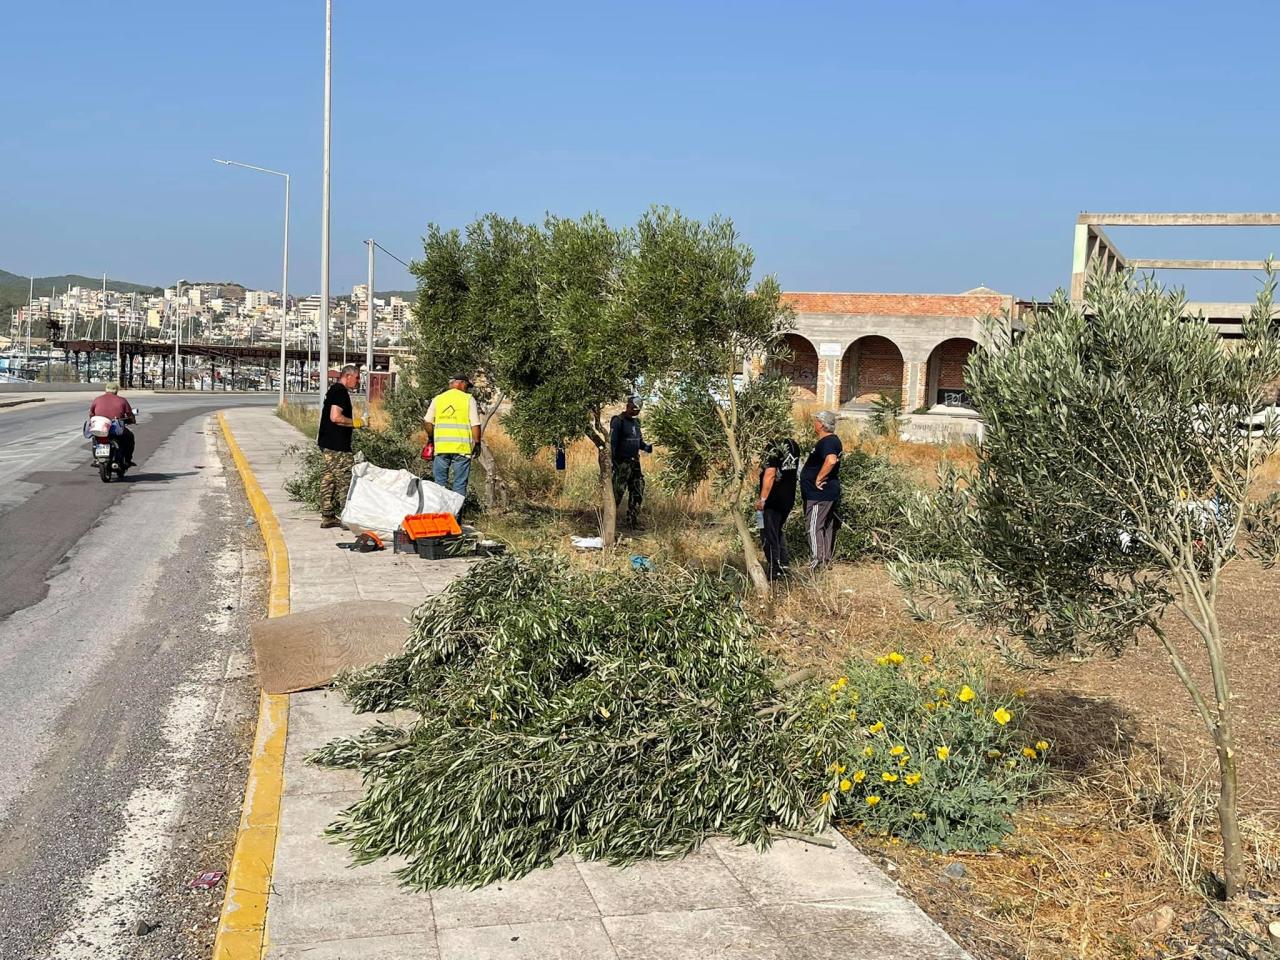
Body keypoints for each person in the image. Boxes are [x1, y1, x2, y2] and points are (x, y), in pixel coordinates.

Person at [316, 364, 363, 529]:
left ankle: (328, 516)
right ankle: (346, 517)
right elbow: (335, 417)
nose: (359, 381)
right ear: (347, 376)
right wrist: (355, 423)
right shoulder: (340, 391)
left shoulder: (334, 390)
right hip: (337, 446)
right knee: (346, 480)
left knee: (328, 479)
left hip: (327, 443)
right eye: (357, 377)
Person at [423, 375, 481, 499]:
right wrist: (477, 443)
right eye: (467, 385)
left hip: (441, 449)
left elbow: (427, 422)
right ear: (460, 383)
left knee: (439, 485)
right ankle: (456, 517)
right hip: (462, 449)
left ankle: (441, 516)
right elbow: (475, 424)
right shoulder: (468, 399)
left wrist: (431, 438)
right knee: (459, 486)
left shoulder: (438, 399)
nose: (467, 389)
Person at [800, 410, 843, 568]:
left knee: (813, 526)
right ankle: (824, 560)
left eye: (816, 421)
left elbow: (831, 460)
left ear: (822, 424)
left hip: (819, 494)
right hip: (823, 493)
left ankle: (817, 560)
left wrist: (819, 478)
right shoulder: (829, 441)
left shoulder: (828, 441)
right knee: (825, 526)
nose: (814, 423)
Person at [755, 434, 801, 581]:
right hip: (788, 497)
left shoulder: (773, 447)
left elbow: (770, 475)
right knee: (777, 532)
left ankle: (775, 570)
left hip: (773, 500)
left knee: (768, 535)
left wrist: (762, 500)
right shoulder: (793, 445)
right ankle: (784, 565)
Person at [610, 395, 652, 528]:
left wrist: (646, 447)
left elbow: (638, 442)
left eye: (638, 410)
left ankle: (632, 521)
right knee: (617, 493)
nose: (635, 412)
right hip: (621, 463)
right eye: (633, 409)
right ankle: (609, 523)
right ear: (628, 406)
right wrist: (612, 463)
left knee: (637, 490)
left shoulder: (636, 423)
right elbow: (612, 444)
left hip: (635, 463)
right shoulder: (618, 421)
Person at [88, 382, 137, 466]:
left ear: (106, 389)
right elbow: (129, 414)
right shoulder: (122, 400)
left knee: (95, 439)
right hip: (115, 426)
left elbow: (91, 413)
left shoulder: (97, 399)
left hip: (100, 427)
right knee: (129, 437)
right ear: (116, 390)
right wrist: (133, 420)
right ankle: (128, 459)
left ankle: (96, 458)